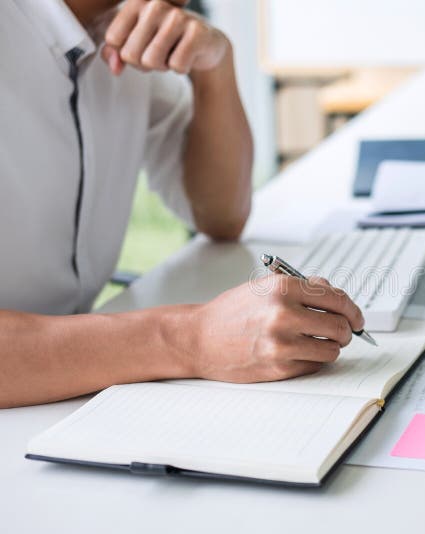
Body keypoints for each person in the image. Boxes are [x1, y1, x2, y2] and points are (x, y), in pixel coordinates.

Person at [0, 0, 365, 408]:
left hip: (69, 399)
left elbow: (220, 213)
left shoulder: (126, 30)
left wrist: (215, 67)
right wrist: (190, 338)